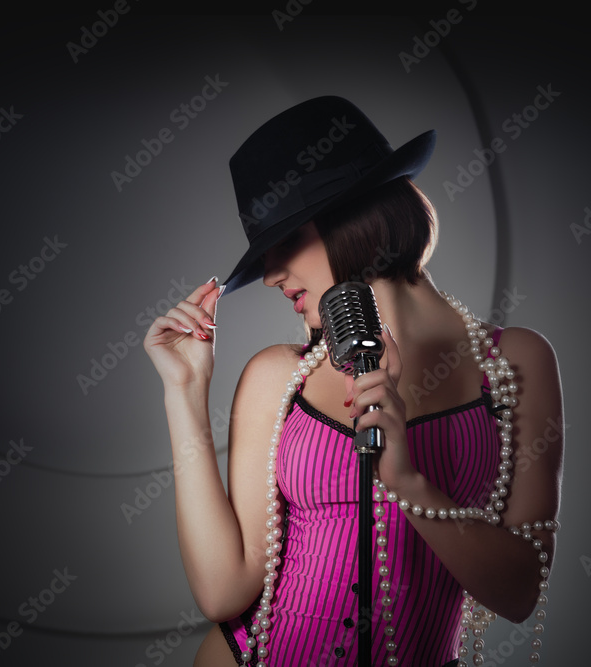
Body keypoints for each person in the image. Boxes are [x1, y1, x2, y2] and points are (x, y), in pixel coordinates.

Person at [144, 97, 563, 667]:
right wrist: (185, 391)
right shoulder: (277, 377)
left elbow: (519, 593)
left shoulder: (514, 363)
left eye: (285, 241)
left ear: (350, 215)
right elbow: (224, 592)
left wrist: (407, 482)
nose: (269, 275)